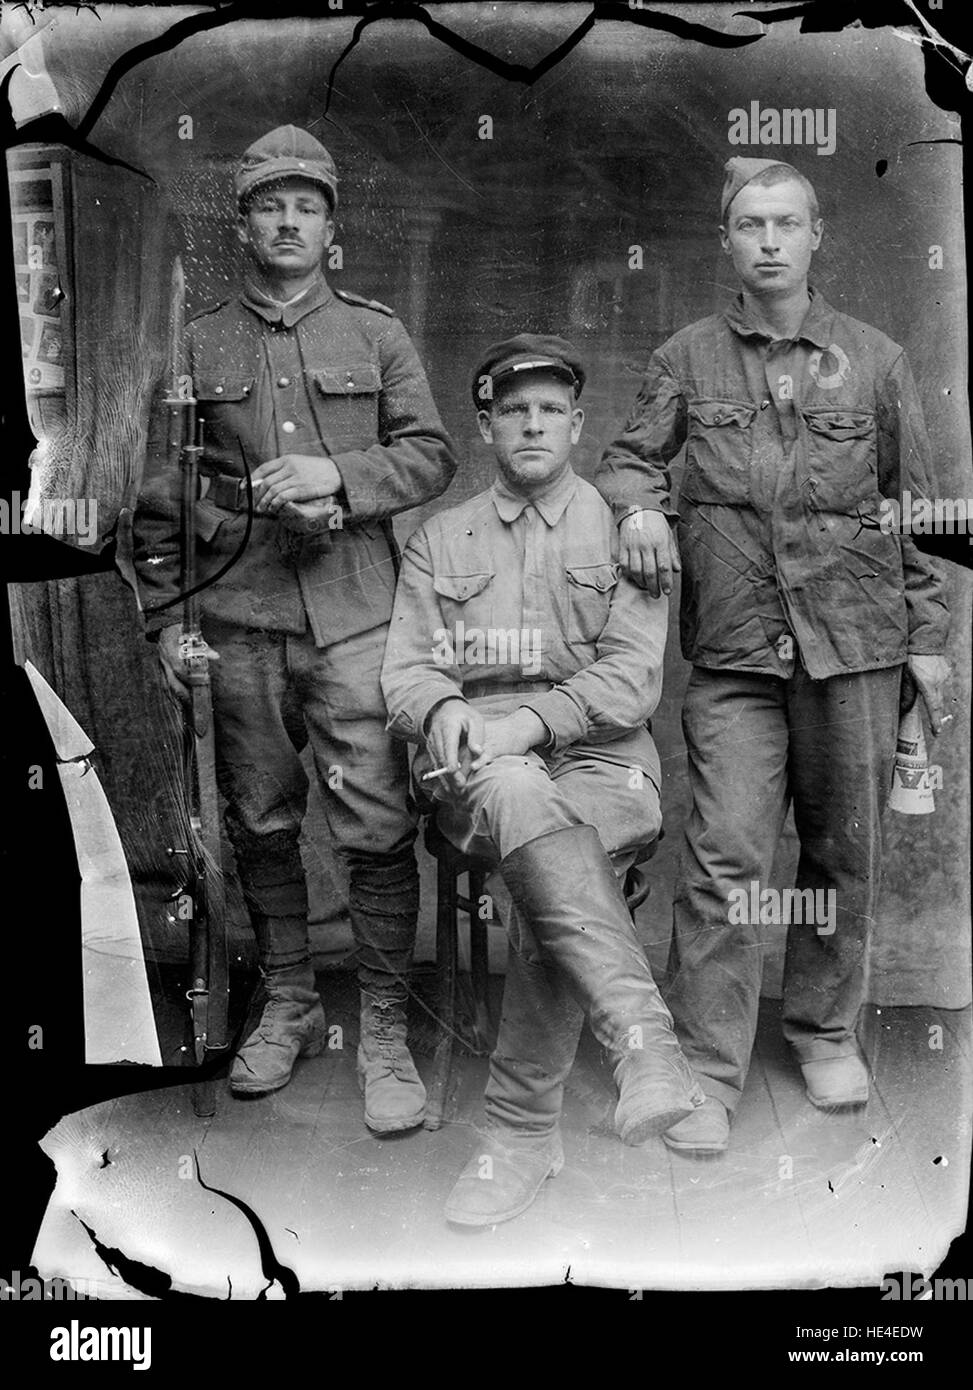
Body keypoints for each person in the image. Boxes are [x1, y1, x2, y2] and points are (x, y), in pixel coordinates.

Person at [596, 157, 951, 1154]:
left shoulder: (875, 361)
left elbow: (918, 511)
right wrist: (637, 508)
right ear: (726, 240)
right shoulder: (685, 359)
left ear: (813, 236)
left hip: (856, 647)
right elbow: (629, 458)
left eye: (784, 223)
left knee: (843, 853)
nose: (766, 240)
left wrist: (928, 643)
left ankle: (824, 1028)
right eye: (748, 223)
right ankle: (706, 1069)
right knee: (723, 860)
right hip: (736, 654)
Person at [133, 126, 456, 1133]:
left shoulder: (376, 333)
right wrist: (165, 627)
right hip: (237, 618)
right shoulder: (195, 346)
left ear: (329, 225)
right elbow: (158, 503)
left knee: (376, 824)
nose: (286, 220)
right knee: (260, 819)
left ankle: (389, 1031)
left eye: (305, 204)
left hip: (359, 616)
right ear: (242, 224)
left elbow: (432, 456)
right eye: (268, 203)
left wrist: (342, 481)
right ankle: (287, 998)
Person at [381, 334, 704, 1226]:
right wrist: (440, 709)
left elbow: (634, 679)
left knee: (558, 852)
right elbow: (406, 672)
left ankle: (520, 1135)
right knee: (528, 805)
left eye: (550, 409)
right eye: (513, 409)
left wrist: (529, 721)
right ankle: (638, 1047)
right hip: (473, 764)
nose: (532, 424)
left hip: (603, 760)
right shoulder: (439, 537)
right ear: (484, 423)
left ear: (576, 422)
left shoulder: (627, 530)